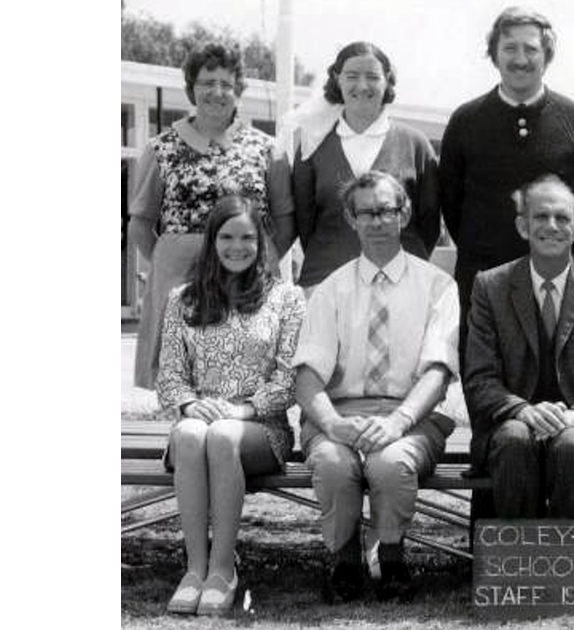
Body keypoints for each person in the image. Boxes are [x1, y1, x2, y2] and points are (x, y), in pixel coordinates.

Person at [292, 171, 459, 603]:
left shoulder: (439, 286)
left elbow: (438, 372)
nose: (378, 221)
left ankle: (392, 558)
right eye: (366, 212)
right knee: (332, 462)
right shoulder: (329, 289)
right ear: (351, 219)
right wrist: (332, 424)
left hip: (412, 412)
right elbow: (308, 374)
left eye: (387, 210)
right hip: (340, 411)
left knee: (389, 462)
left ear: (404, 214)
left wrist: (400, 421)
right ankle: (344, 562)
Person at [157, 194, 306, 616]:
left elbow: (289, 377)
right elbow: (168, 375)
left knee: (222, 435)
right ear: (211, 240)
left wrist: (244, 410)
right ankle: (195, 568)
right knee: (190, 434)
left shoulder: (287, 298)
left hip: (260, 426)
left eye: (247, 238)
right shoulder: (182, 298)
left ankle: (223, 570)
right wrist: (188, 404)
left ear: (261, 242)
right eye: (226, 236)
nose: (236, 247)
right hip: (199, 421)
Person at [463, 175, 574, 518]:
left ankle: (566, 564)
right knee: (514, 437)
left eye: (562, 218)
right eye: (540, 217)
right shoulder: (490, 286)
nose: (552, 226)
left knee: (570, 443)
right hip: (509, 425)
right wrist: (521, 410)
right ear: (522, 226)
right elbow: (480, 377)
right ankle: (514, 564)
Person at [129, 42, 293, 389]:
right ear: (191, 88)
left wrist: (259, 258)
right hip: (180, 275)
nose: (217, 92)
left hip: (248, 271)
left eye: (226, 84)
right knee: (183, 381)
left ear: (238, 92)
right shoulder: (162, 148)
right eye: (206, 83)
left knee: (249, 379)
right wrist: (170, 259)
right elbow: (141, 223)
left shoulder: (267, 149)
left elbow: (285, 217)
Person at [440, 5, 574, 353]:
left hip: (555, 282)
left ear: (547, 55)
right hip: (482, 282)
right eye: (510, 48)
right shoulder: (466, 120)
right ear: (494, 54)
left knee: (555, 394)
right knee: (487, 392)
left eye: (531, 48)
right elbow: (451, 205)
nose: (520, 58)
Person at [290, 41, 441, 289]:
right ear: (338, 80)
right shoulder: (312, 145)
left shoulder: (415, 143)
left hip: (401, 284)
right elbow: (306, 224)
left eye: (372, 76)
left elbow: (429, 224)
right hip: (327, 281)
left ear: (387, 80)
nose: (362, 86)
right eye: (352, 76)